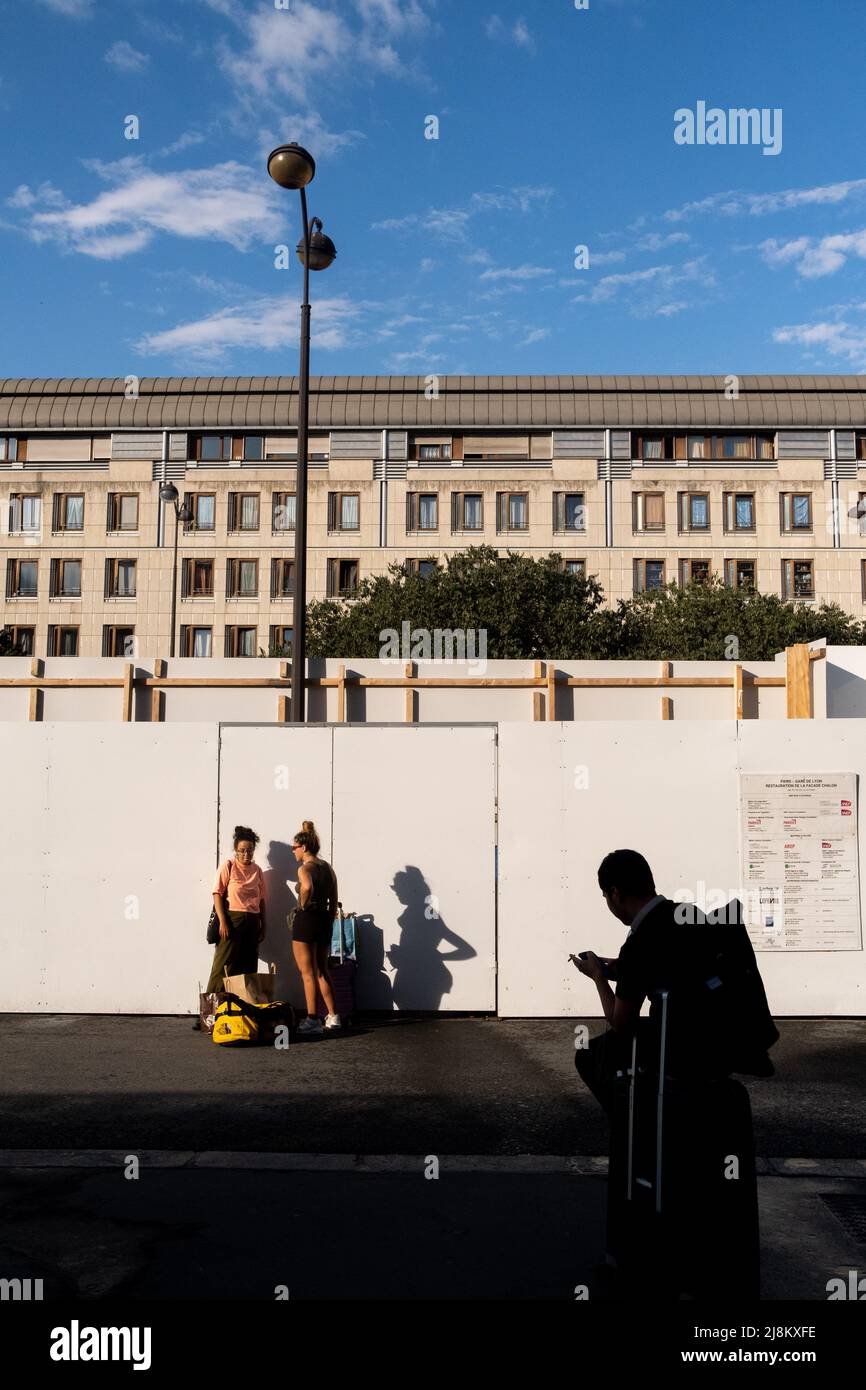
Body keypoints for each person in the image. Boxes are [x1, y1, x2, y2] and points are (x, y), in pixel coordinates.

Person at [572, 848, 679, 1117]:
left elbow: (621, 1023)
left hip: (675, 1042)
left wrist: (598, 977)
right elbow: (671, 969)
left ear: (616, 894)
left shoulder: (639, 941)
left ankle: (632, 1126)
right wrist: (623, 969)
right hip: (713, 1035)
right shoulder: (685, 915)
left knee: (589, 1053)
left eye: (606, 896)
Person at [291, 820, 341, 1035]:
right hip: (324, 920)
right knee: (322, 969)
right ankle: (333, 1016)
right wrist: (328, 919)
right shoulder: (328, 868)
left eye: (294, 848)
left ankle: (312, 1020)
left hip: (307, 919)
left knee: (307, 973)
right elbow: (334, 898)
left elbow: (307, 886)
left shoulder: (305, 869)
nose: (293, 852)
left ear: (303, 847)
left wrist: (301, 906)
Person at [205, 825, 267, 995]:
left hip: (253, 921)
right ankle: (210, 1014)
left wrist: (264, 925)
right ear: (235, 850)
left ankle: (242, 1011)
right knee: (222, 966)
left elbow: (262, 900)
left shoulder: (257, 871)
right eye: (242, 850)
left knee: (248, 968)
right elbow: (217, 893)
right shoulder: (229, 866)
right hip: (233, 919)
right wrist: (223, 921)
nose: (246, 854)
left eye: (249, 850)